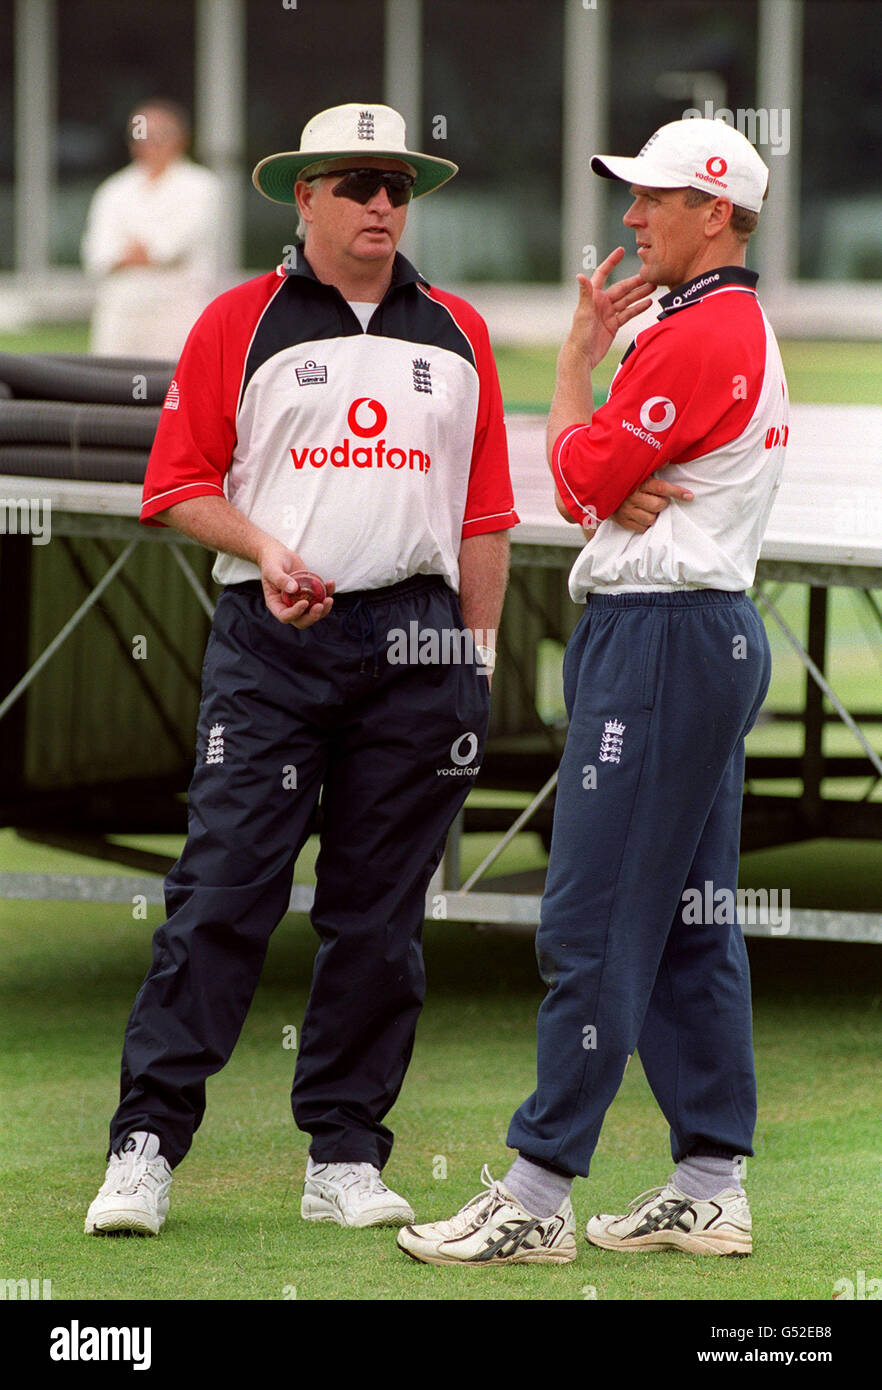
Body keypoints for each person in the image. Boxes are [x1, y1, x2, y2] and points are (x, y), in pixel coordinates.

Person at [84, 103, 517, 1236]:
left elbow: (485, 518)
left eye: (398, 184)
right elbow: (177, 484)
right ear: (305, 196)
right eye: (359, 182)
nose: (383, 202)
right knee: (223, 893)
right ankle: (144, 1146)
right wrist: (266, 546)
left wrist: (474, 657)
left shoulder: (461, 330)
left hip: (419, 650)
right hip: (274, 645)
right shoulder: (239, 319)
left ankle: (344, 1156)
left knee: (379, 919)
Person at [398, 117, 789, 1266]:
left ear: (713, 210)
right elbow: (596, 478)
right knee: (687, 917)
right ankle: (711, 1181)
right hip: (697, 633)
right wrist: (599, 454)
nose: (629, 218)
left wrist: (574, 369)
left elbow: (574, 477)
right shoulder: (710, 323)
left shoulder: (698, 333)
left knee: (590, 917)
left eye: (651, 198)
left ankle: (536, 1192)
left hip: (660, 639)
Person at [81, 99, 222, 359]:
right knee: (111, 389)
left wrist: (134, 254)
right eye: (141, 137)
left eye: (158, 136)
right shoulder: (114, 189)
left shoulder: (202, 186)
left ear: (181, 139)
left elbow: (169, 247)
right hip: (121, 316)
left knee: (173, 390)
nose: (148, 145)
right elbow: (98, 254)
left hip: (177, 313)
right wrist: (137, 254)